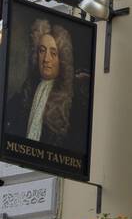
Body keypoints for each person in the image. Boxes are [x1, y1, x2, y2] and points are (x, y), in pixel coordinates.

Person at [5, 16, 89, 152]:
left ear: (62, 59)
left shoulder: (73, 103)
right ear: (36, 54)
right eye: (42, 51)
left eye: (53, 53)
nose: (46, 59)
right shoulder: (25, 93)